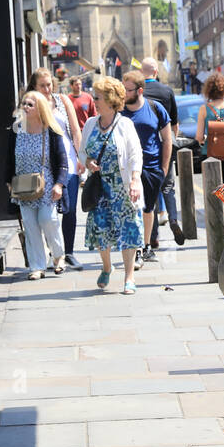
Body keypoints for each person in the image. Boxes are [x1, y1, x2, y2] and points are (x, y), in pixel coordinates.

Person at [78, 76, 144, 295]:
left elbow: (135, 154)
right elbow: (82, 152)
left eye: (97, 98)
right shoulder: (90, 124)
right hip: (99, 188)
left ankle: (129, 277)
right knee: (101, 230)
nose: (94, 102)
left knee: (129, 229)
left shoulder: (125, 125)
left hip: (121, 187)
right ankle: (107, 267)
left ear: (110, 99)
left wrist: (135, 180)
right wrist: (88, 161)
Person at [7, 91, 69, 279]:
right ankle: (37, 267)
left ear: (40, 108)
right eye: (24, 104)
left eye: (30, 104)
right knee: (30, 225)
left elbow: (62, 161)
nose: (25, 107)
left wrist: (59, 184)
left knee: (47, 219)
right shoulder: (17, 130)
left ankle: (58, 255)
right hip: (22, 185)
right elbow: (8, 158)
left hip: (46, 184)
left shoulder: (51, 130)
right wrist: (8, 181)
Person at [28, 68, 84, 270]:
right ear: (34, 86)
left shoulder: (62, 101)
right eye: (42, 86)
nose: (47, 89)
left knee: (70, 209)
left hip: (68, 160)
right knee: (46, 213)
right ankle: (53, 252)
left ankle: (68, 252)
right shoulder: (30, 104)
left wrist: (81, 157)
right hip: (42, 165)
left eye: (49, 84)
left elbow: (75, 131)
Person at [120, 70, 173, 267]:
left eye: (128, 90)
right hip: (127, 168)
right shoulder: (119, 111)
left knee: (147, 209)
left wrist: (164, 168)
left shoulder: (155, 108)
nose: (124, 93)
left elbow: (167, 139)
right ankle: (137, 250)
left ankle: (146, 245)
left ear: (140, 90)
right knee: (132, 209)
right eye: (123, 89)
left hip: (151, 167)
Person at [140, 56, 184, 248]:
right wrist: (172, 142)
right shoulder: (166, 91)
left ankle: (153, 236)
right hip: (166, 145)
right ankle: (173, 219)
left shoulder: (139, 92)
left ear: (142, 72)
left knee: (150, 190)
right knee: (168, 187)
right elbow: (174, 124)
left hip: (147, 147)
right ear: (156, 72)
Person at [195, 71, 224, 187]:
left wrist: (204, 139)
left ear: (208, 90)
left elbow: (199, 137)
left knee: (213, 189)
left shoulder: (204, 109)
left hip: (211, 155)